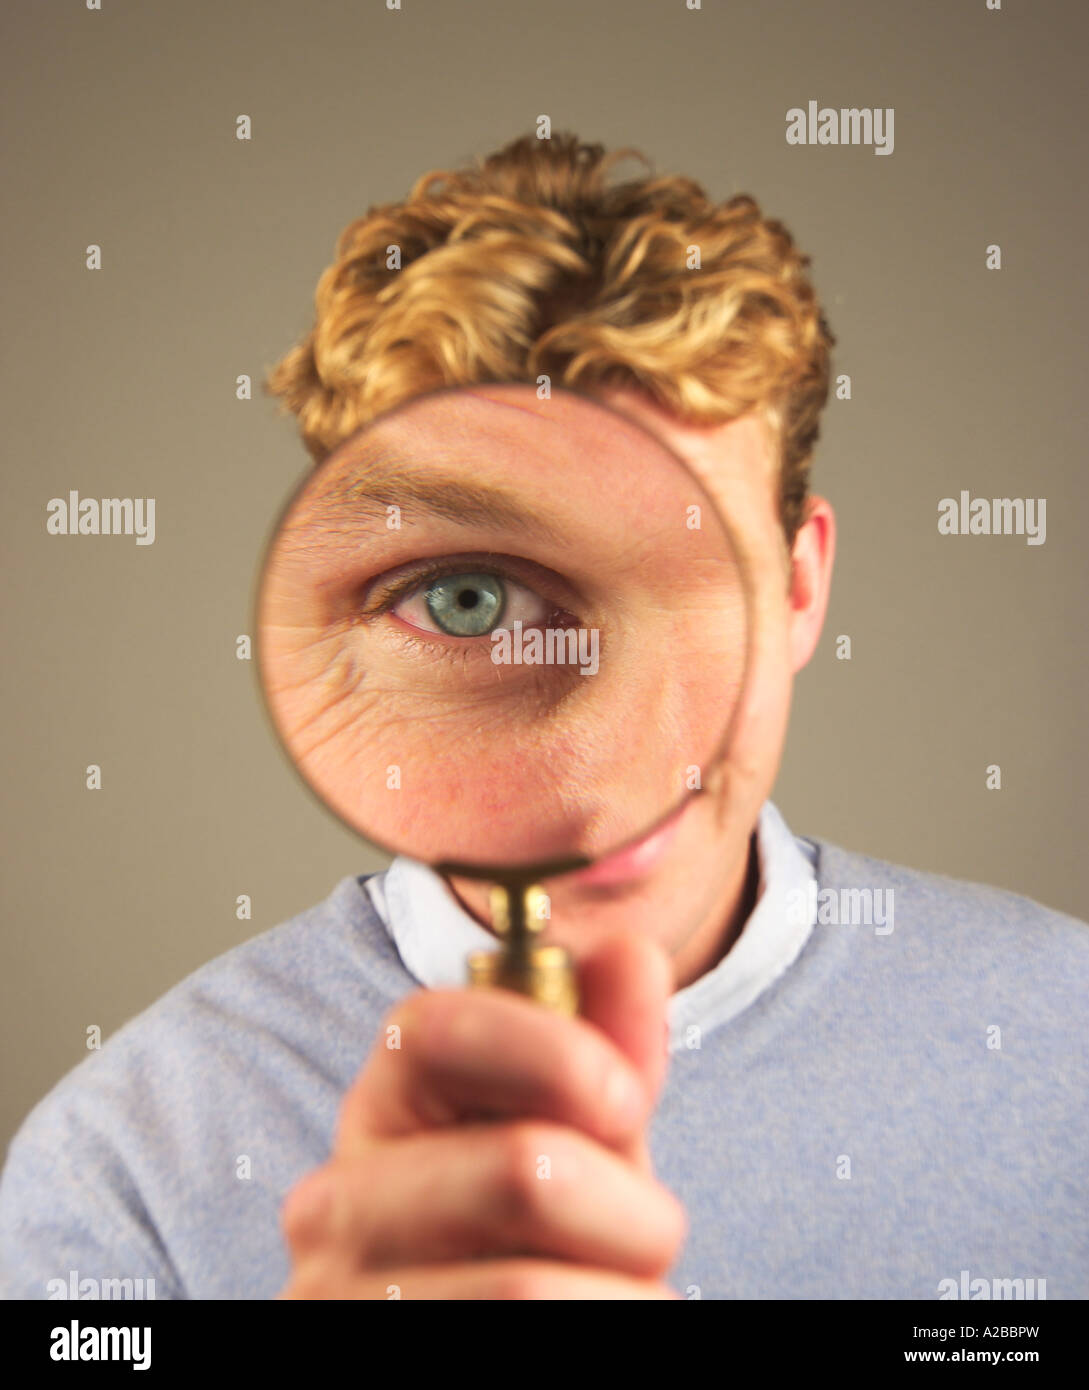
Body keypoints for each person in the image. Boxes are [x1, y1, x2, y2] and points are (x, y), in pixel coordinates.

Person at [2, 132, 1085, 1301]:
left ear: (800, 590)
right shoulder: (119, 1172)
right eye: (473, 600)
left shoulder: (1064, 1041)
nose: (611, 774)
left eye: (700, 579)